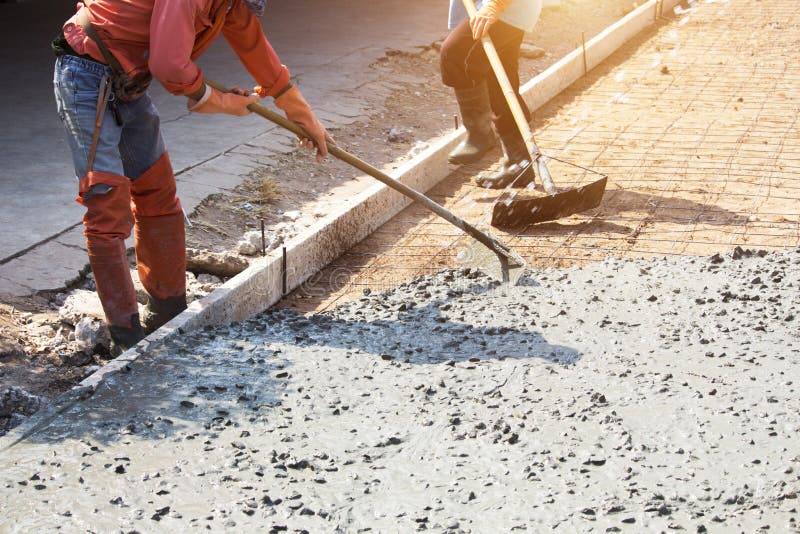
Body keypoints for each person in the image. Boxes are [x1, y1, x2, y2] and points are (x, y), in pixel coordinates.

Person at [52, 0, 331, 355]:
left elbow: (252, 43)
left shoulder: (228, 4)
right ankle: (127, 340)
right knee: (106, 208)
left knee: (157, 192)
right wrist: (218, 100)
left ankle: (167, 312)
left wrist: (302, 114)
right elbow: (168, 65)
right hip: (86, 74)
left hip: (127, 80)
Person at [441, 0, 542, 188]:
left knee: (455, 55)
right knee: (498, 80)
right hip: (496, 9)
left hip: (503, 9)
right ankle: (518, 166)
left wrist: (496, 4)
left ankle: (480, 133)